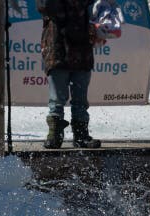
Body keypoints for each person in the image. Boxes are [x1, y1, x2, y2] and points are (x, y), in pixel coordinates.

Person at [39, 0, 103, 149]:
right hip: (57, 49)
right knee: (57, 100)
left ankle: (81, 136)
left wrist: (101, 27)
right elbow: (44, 7)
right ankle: (54, 135)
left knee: (80, 100)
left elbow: (97, 10)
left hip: (82, 51)